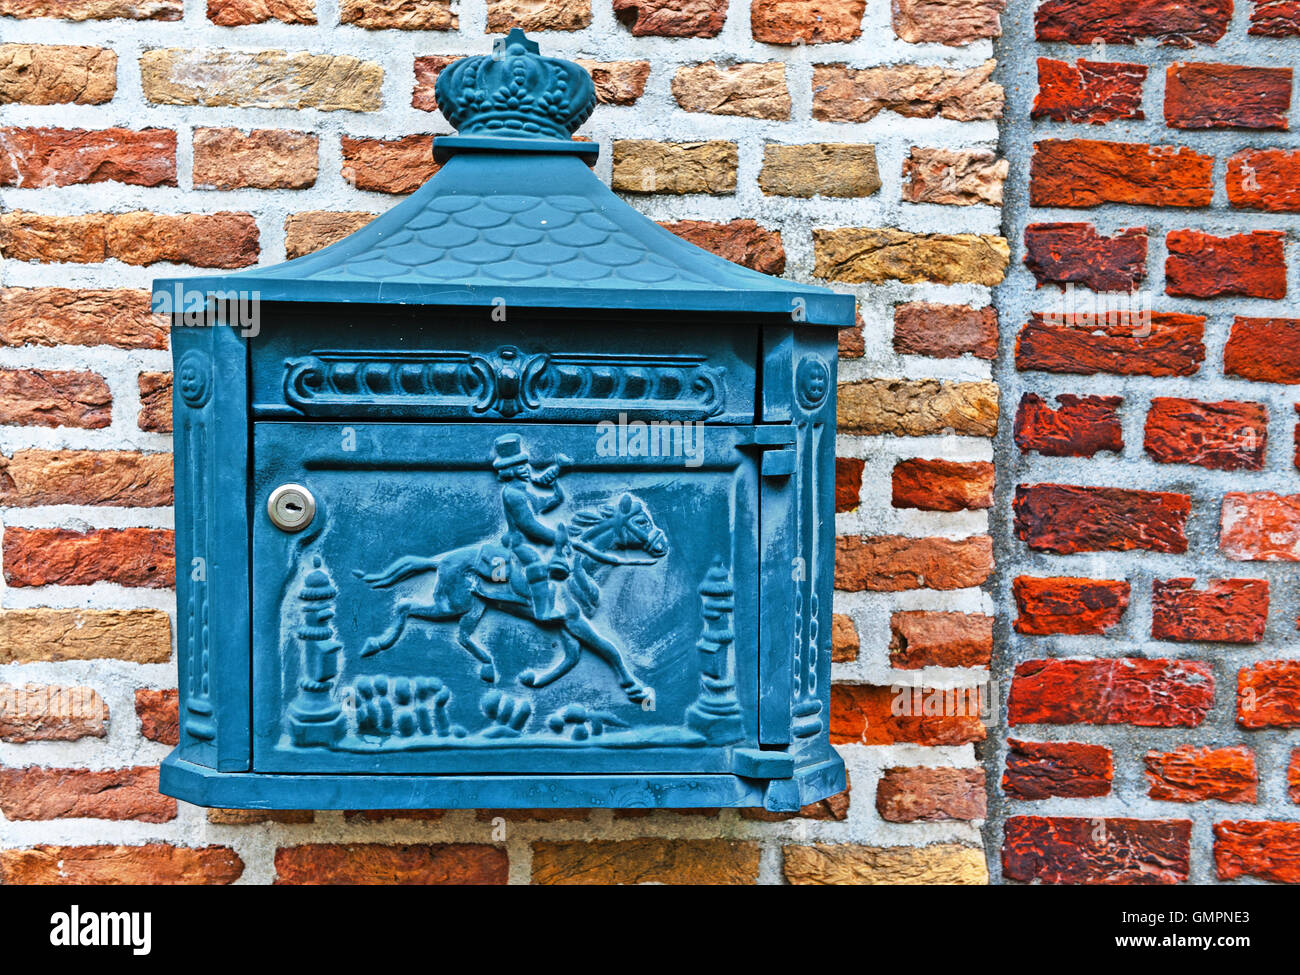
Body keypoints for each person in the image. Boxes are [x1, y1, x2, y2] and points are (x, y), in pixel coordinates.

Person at [490, 434, 571, 622]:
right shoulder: (513, 494)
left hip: (529, 540)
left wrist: (555, 484)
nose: (526, 469)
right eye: (519, 467)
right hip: (518, 543)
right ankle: (543, 612)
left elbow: (550, 501)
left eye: (525, 464)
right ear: (508, 471)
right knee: (537, 563)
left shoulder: (524, 491)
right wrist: (556, 537)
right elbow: (529, 525)